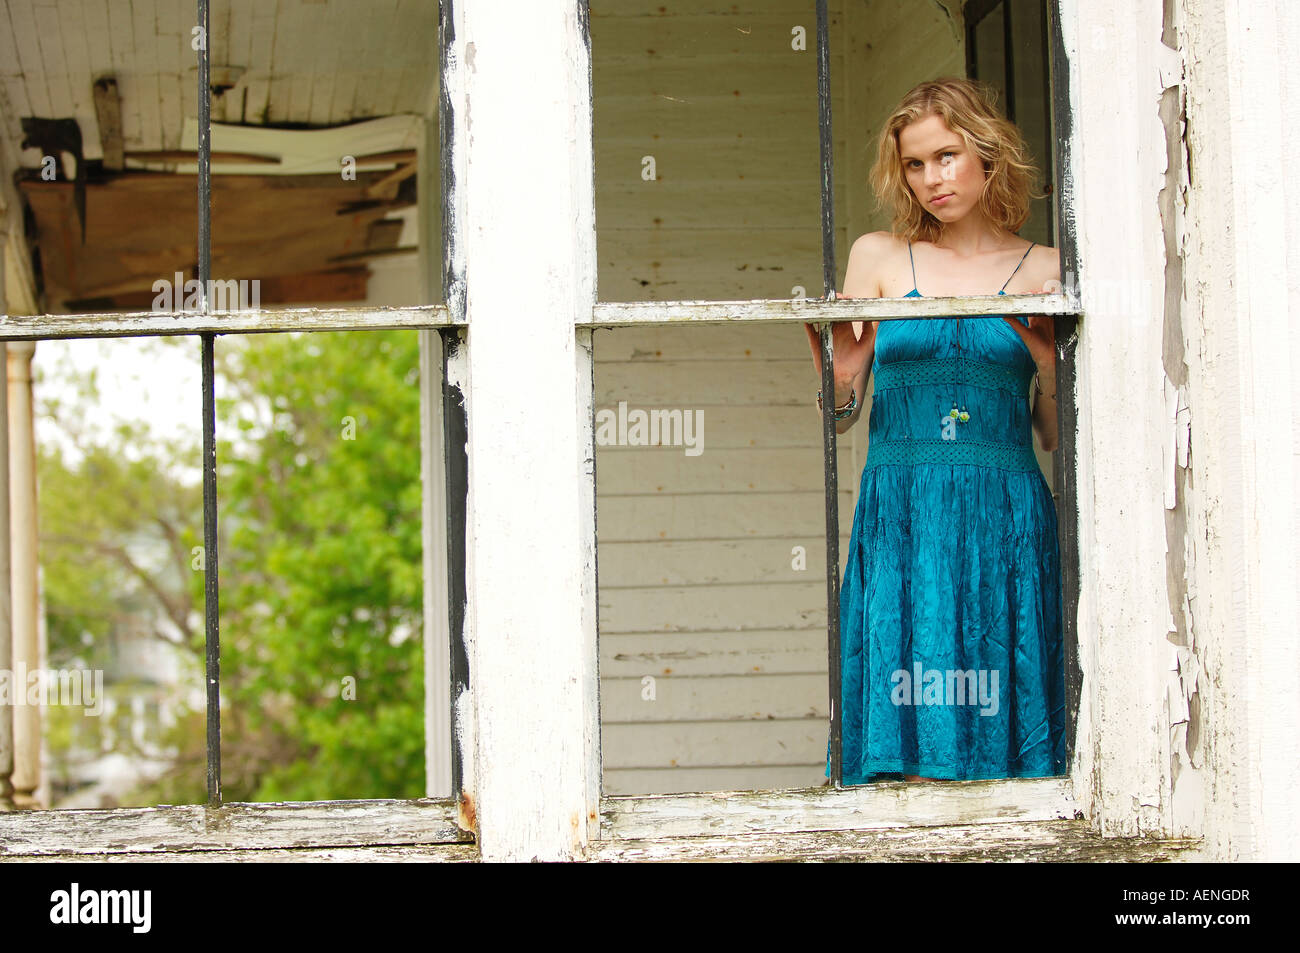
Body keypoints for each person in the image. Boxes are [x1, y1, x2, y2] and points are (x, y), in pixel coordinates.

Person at [804, 77, 1066, 784]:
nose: (932, 179)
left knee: (1003, 746)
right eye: (915, 164)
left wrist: (1046, 361)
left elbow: (1052, 437)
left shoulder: (1046, 268)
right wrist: (843, 376)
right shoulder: (880, 257)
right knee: (901, 730)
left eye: (946, 156)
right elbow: (842, 416)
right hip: (902, 514)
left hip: (1003, 514)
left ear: (987, 152)